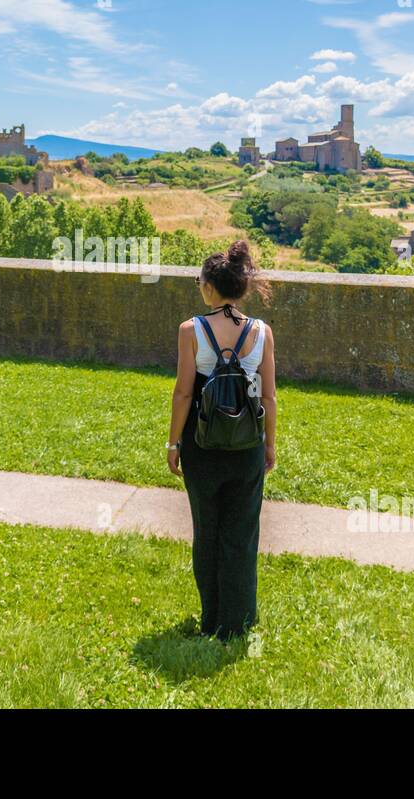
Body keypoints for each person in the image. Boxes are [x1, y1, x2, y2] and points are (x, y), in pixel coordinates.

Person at [166, 239, 276, 641]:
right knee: (242, 534)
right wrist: (269, 445)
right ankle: (239, 620)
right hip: (247, 445)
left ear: (211, 287)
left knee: (206, 532)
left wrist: (174, 443)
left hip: (202, 444)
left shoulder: (190, 330)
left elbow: (182, 392)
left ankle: (211, 619)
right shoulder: (262, 332)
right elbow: (269, 395)